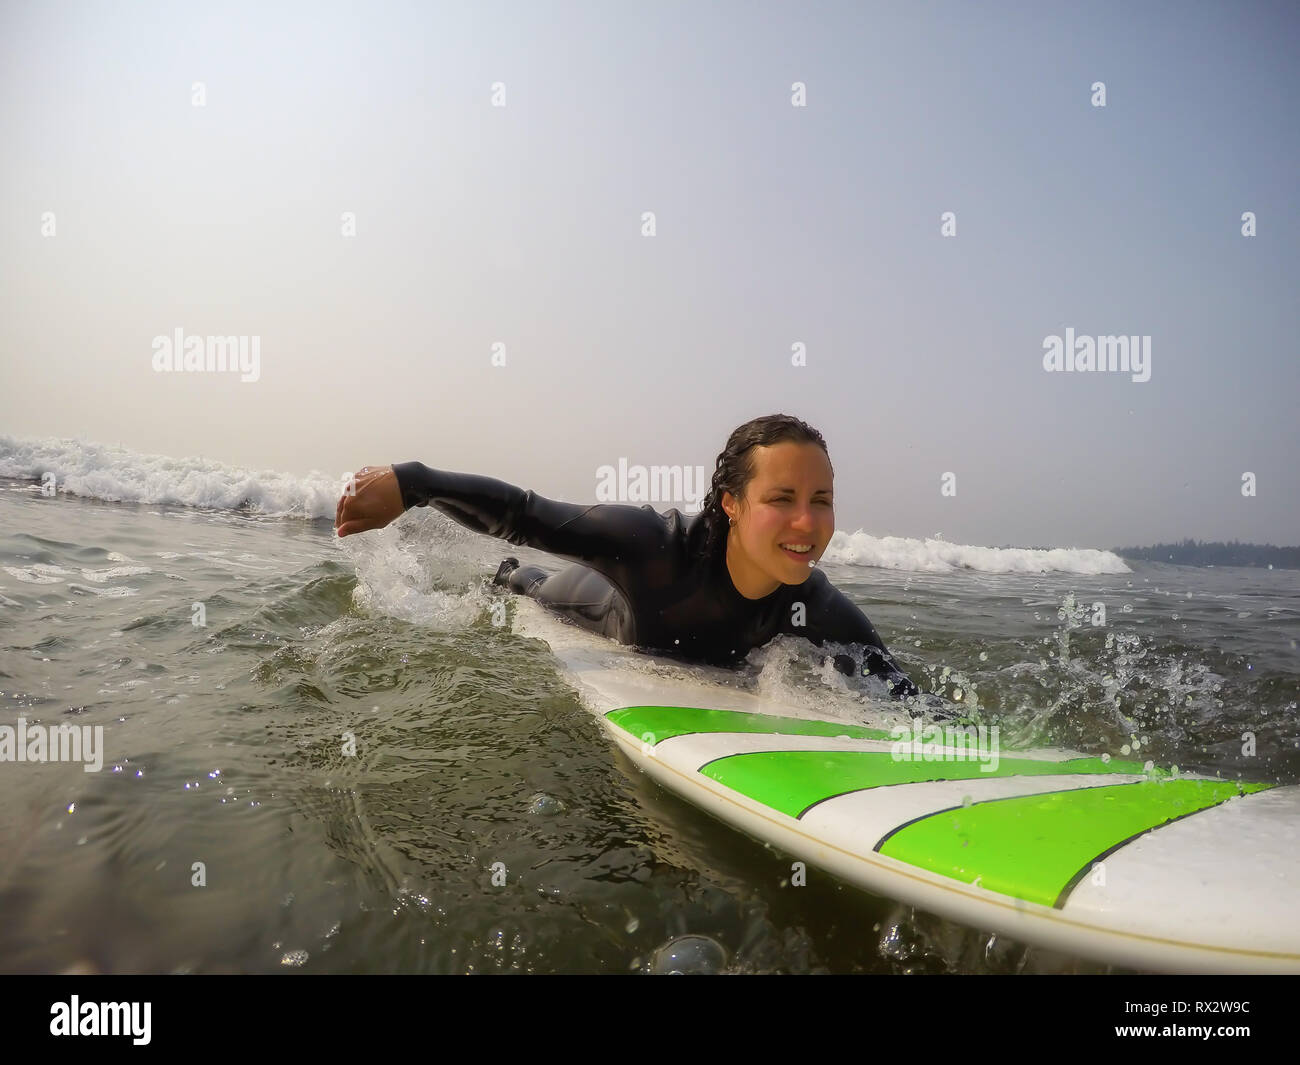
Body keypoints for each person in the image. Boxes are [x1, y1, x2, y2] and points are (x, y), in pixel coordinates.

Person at [336, 414, 926, 702]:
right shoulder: (655, 546)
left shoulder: (814, 606)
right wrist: (411, 483)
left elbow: (902, 692)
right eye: (782, 499)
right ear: (734, 504)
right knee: (532, 581)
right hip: (588, 602)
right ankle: (509, 581)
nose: (808, 522)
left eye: (821, 500)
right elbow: (527, 512)